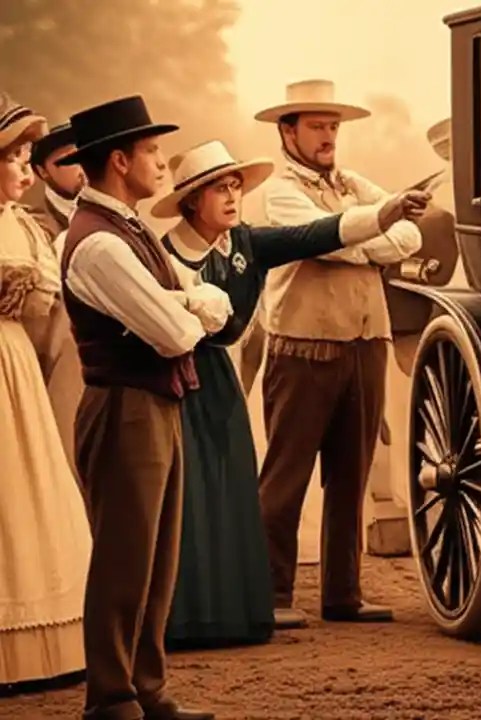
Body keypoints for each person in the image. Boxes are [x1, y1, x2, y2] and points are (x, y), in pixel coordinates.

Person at [148, 140, 428, 646]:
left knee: (335, 474)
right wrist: (372, 232)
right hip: (188, 372)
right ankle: (257, 596)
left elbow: (320, 233)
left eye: (235, 185)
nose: (233, 196)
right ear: (192, 200)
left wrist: (383, 214)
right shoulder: (167, 253)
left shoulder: (249, 243)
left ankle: (338, 592)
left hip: (245, 372)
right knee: (264, 479)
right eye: (219, 188)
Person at [58, 95, 228, 720]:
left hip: (153, 400)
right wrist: (185, 307)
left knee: (158, 560)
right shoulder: (100, 245)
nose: (162, 161)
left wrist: (183, 304)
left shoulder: (130, 230)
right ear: (121, 160)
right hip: (124, 407)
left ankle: (147, 687)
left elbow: (209, 301)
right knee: (124, 559)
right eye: (153, 151)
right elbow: (178, 331)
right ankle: (111, 697)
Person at [253, 79, 423, 628]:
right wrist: (370, 236)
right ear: (288, 130)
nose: (328, 137)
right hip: (303, 347)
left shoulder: (353, 182)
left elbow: (409, 239)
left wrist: (356, 242)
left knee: (351, 475)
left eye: (333, 127)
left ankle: (342, 594)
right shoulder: (277, 190)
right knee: (286, 475)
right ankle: (272, 594)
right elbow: (317, 235)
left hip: (365, 343)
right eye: (317, 127)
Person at [0, 92, 92, 693]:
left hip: (17, 365)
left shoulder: (21, 223)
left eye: (30, 154)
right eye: (17, 155)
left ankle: (46, 649)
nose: (25, 168)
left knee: (30, 484)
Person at [22, 121, 85, 470]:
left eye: (83, 155)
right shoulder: (34, 227)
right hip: (51, 366)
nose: (80, 166)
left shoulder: (116, 216)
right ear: (41, 171)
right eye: (66, 160)